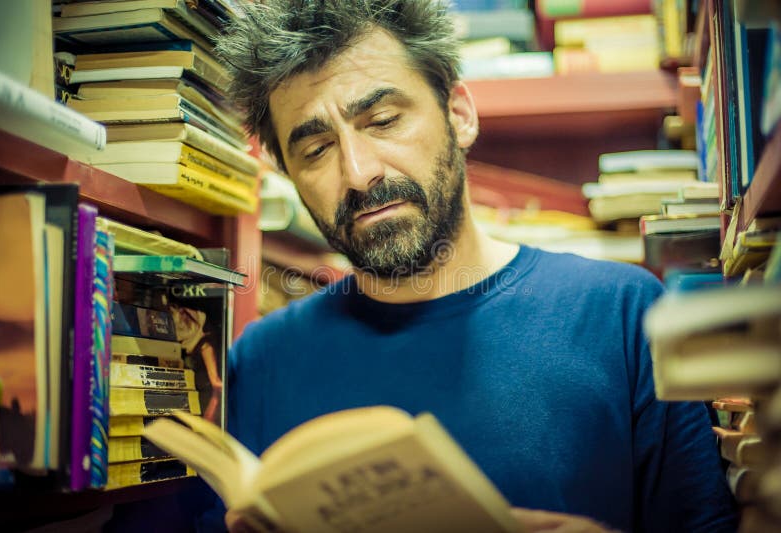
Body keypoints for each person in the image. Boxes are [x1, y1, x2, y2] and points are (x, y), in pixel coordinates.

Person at [212, 1, 738, 531]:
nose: (358, 173)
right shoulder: (259, 361)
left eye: (383, 121)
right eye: (317, 149)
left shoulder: (624, 314)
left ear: (459, 115)